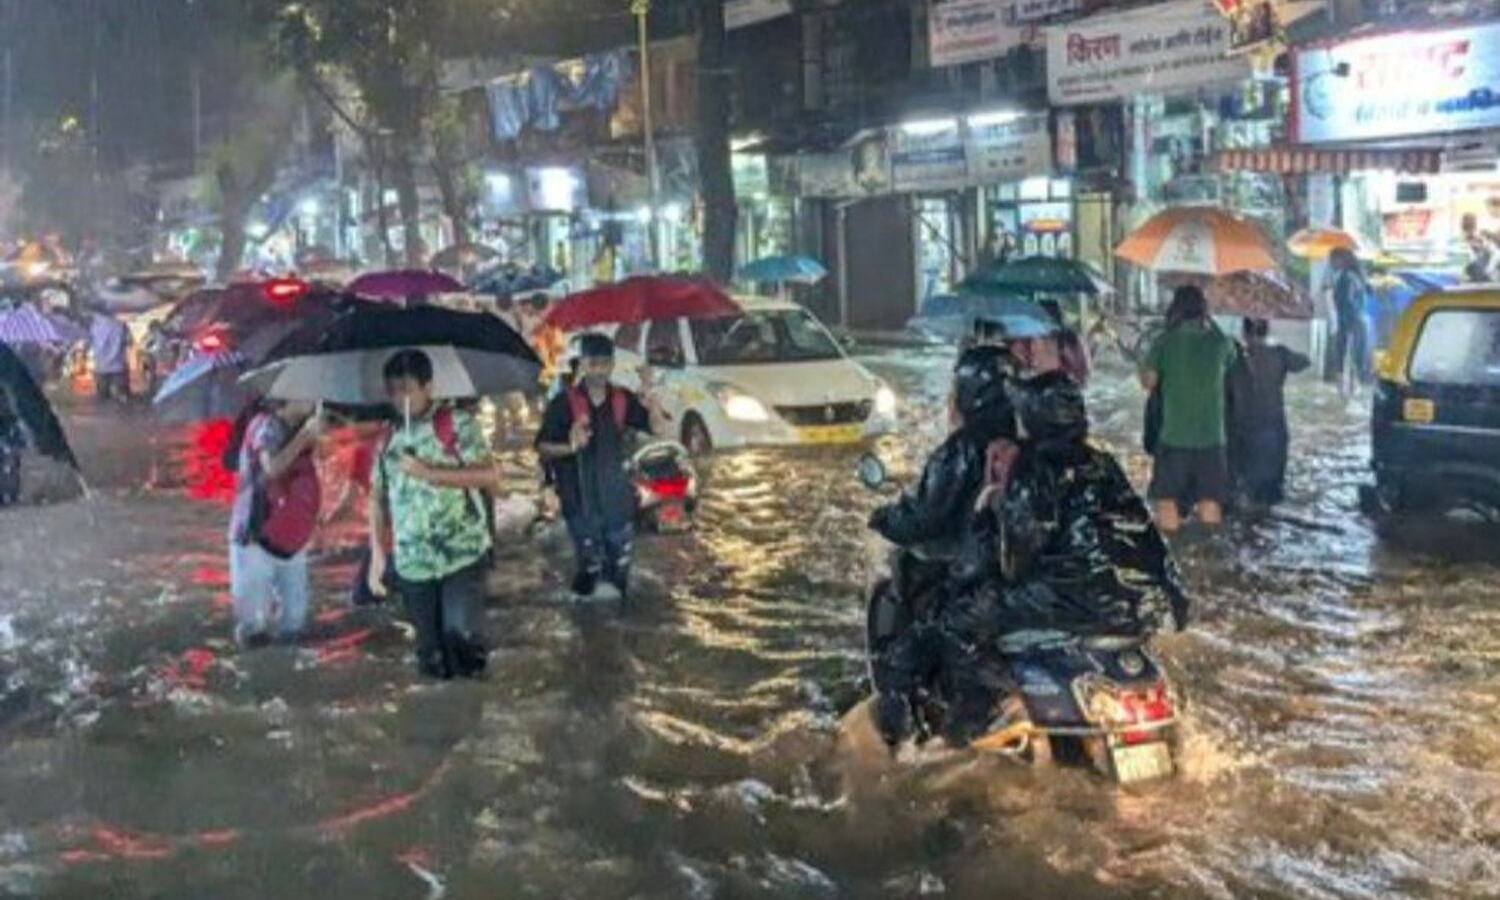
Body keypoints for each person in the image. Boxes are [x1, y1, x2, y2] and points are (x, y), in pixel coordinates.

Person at [367, 350, 500, 679]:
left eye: (407, 389)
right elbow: (376, 497)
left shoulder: (455, 424)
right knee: (429, 654)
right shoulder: (388, 438)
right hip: (413, 561)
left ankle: (472, 710)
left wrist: (428, 473)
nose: (400, 398)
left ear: (428, 387)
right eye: (393, 390)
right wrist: (376, 556)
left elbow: (489, 476)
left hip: (462, 552)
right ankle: (439, 722)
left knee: (461, 638)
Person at [536, 334, 666, 599]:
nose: (599, 370)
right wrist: (570, 447)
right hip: (579, 504)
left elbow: (657, 429)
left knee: (619, 574)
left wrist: (652, 400)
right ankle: (587, 630)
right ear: (582, 363)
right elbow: (541, 447)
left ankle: (615, 629)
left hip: (617, 503)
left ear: (612, 364)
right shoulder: (563, 404)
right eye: (593, 363)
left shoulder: (622, 399)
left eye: (605, 363)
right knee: (589, 572)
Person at [1140, 285, 1238, 534]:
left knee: (1167, 500)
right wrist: (1210, 321)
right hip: (1213, 439)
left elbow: (1148, 382)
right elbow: (1232, 360)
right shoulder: (1219, 342)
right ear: (1202, 310)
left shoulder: (1164, 342)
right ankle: (1210, 555)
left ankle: (1173, 556)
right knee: (1210, 500)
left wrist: (1146, 362)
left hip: (1174, 437)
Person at [228, 400, 324, 648]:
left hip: (291, 538)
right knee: (255, 626)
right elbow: (271, 467)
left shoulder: (298, 427)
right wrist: (304, 437)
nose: (312, 399)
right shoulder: (265, 425)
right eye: (306, 394)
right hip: (256, 538)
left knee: (294, 621)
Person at [1228, 318, 1310, 507]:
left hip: (1243, 431)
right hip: (1274, 430)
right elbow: (1305, 361)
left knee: (1245, 490)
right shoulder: (1279, 354)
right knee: (1271, 494)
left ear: (1244, 332)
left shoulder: (1234, 356)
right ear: (1267, 331)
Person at [1328, 247, 1372, 392]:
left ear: (1342, 260)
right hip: (1358, 323)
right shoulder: (1358, 276)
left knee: (1350, 363)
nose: (1331, 263)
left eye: (1333, 260)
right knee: (1359, 363)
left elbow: (1347, 303)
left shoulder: (1347, 278)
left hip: (1349, 324)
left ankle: (1347, 389)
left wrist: (1346, 328)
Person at [88, 308, 132, 402]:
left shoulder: (94, 326)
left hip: (101, 367)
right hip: (118, 366)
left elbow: (89, 342)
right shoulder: (121, 325)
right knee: (123, 398)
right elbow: (129, 341)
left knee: (102, 399)